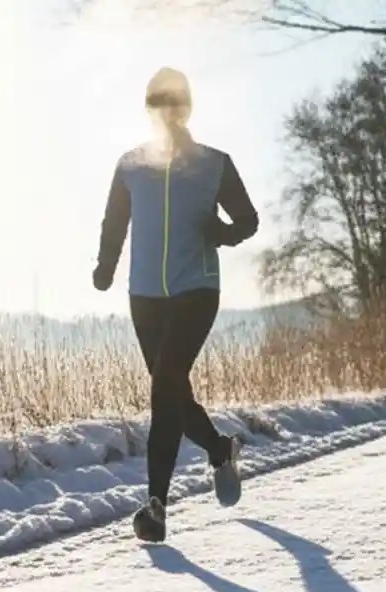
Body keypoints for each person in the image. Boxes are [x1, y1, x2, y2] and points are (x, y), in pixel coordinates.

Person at [91, 67, 260, 543]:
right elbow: (114, 221)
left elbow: (247, 219)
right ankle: (219, 448)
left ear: (186, 109)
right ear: (150, 110)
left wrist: (222, 233)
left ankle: (156, 505)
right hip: (144, 293)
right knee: (174, 393)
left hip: (196, 289)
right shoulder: (130, 165)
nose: (167, 112)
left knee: (164, 386)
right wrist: (106, 265)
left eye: (175, 104)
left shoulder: (213, 163)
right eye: (158, 104)